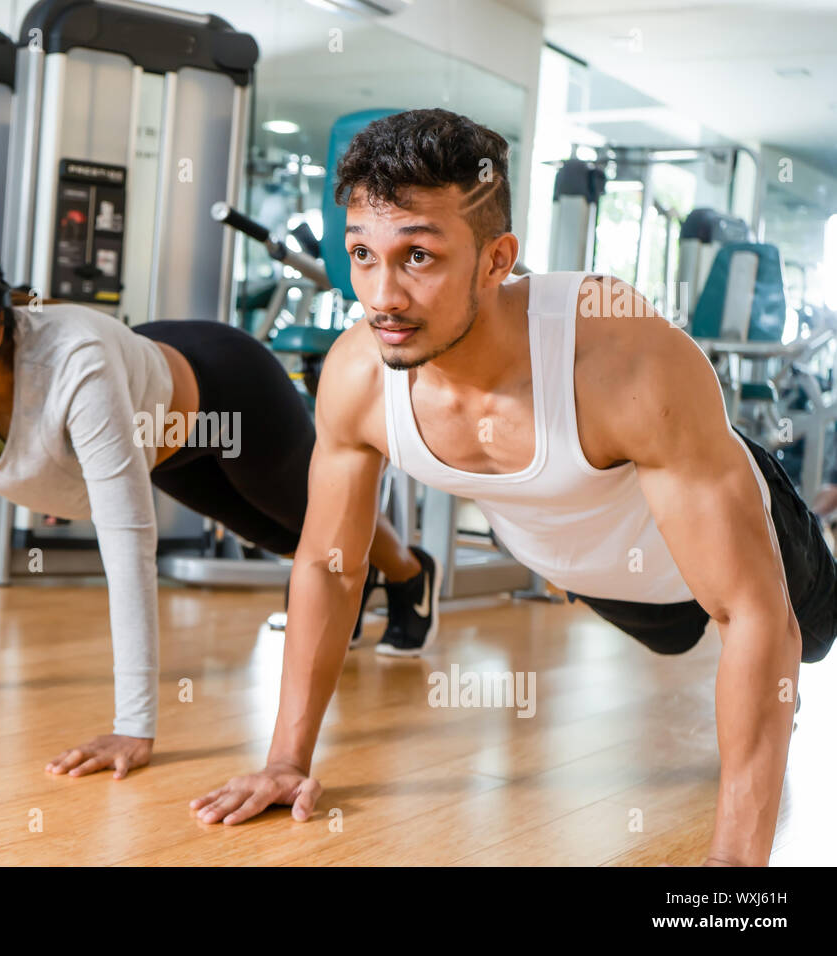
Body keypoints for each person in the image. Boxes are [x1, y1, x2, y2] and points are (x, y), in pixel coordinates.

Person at [189, 109, 836, 867]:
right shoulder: (358, 377)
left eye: (419, 256)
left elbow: (755, 613)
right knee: (672, 635)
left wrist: (732, 880)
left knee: (809, 641)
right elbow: (330, 569)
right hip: (603, 571)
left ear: (497, 261)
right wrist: (285, 761)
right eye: (363, 252)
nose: (382, 295)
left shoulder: (627, 364)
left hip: (745, 542)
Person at [0, 224, 441, 779]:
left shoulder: (76, 363)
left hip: (228, 389)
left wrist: (133, 727)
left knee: (319, 530)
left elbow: (127, 539)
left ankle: (410, 574)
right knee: (284, 543)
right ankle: (362, 587)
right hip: (158, 434)